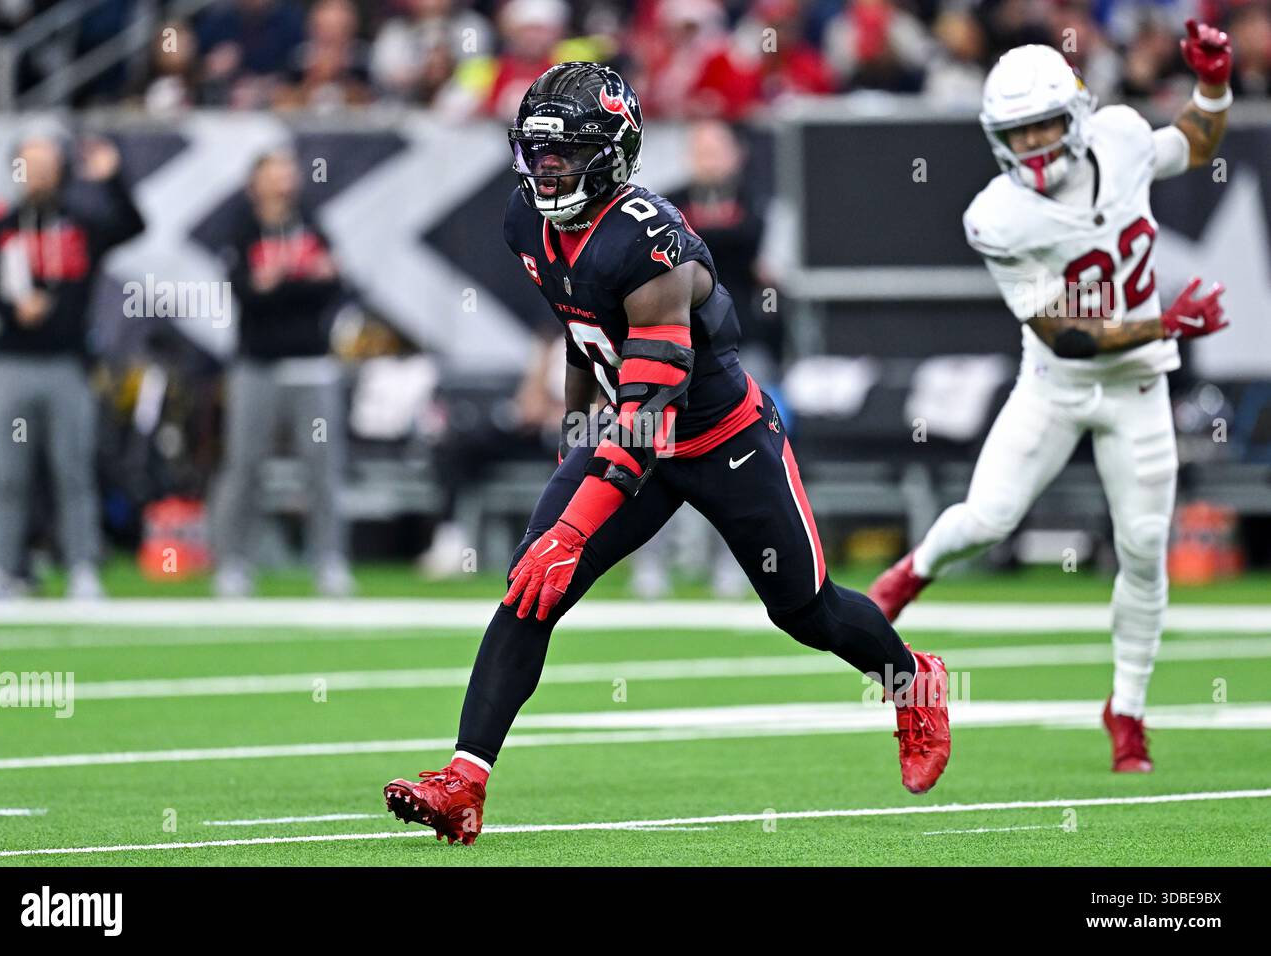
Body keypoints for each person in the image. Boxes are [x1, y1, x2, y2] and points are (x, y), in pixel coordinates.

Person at [383, 62, 950, 846]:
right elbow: (583, 334)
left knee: (805, 611)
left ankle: (910, 680)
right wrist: (571, 445)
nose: (546, 170)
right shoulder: (529, 224)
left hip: (720, 441)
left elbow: (652, 410)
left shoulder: (653, 247)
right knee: (531, 588)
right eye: (537, 153)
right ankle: (465, 783)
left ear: (613, 153)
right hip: (627, 433)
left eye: (565, 154)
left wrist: (577, 521)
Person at [869, 22, 1235, 774]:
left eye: (1044, 124)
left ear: (1076, 115)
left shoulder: (1124, 135)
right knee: (988, 518)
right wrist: (1165, 320)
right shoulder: (997, 216)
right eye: (1018, 131)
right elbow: (1065, 334)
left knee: (1142, 551)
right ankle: (906, 576)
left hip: (1137, 387)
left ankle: (1126, 711)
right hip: (1056, 383)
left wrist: (1214, 84)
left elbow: (1194, 144)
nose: (1035, 143)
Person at [0, 136, 145, 599]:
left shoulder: (81, 226)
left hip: (66, 366)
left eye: (47, 165)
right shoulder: (2, 229)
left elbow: (133, 225)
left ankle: (82, 565)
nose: (40, 175)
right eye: (31, 166)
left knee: (73, 469)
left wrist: (114, 179)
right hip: (11, 365)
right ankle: (4, 566)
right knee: (8, 474)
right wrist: (13, 312)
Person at [212, 150, 353, 598]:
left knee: (322, 469)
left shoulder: (311, 223)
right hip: (257, 364)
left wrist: (281, 282)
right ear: (256, 183)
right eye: (273, 175)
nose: (283, 183)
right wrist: (296, 281)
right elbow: (246, 294)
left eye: (287, 174)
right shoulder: (241, 229)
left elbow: (333, 286)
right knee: (244, 466)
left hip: (311, 364)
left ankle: (329, 560)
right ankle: (234, 562)